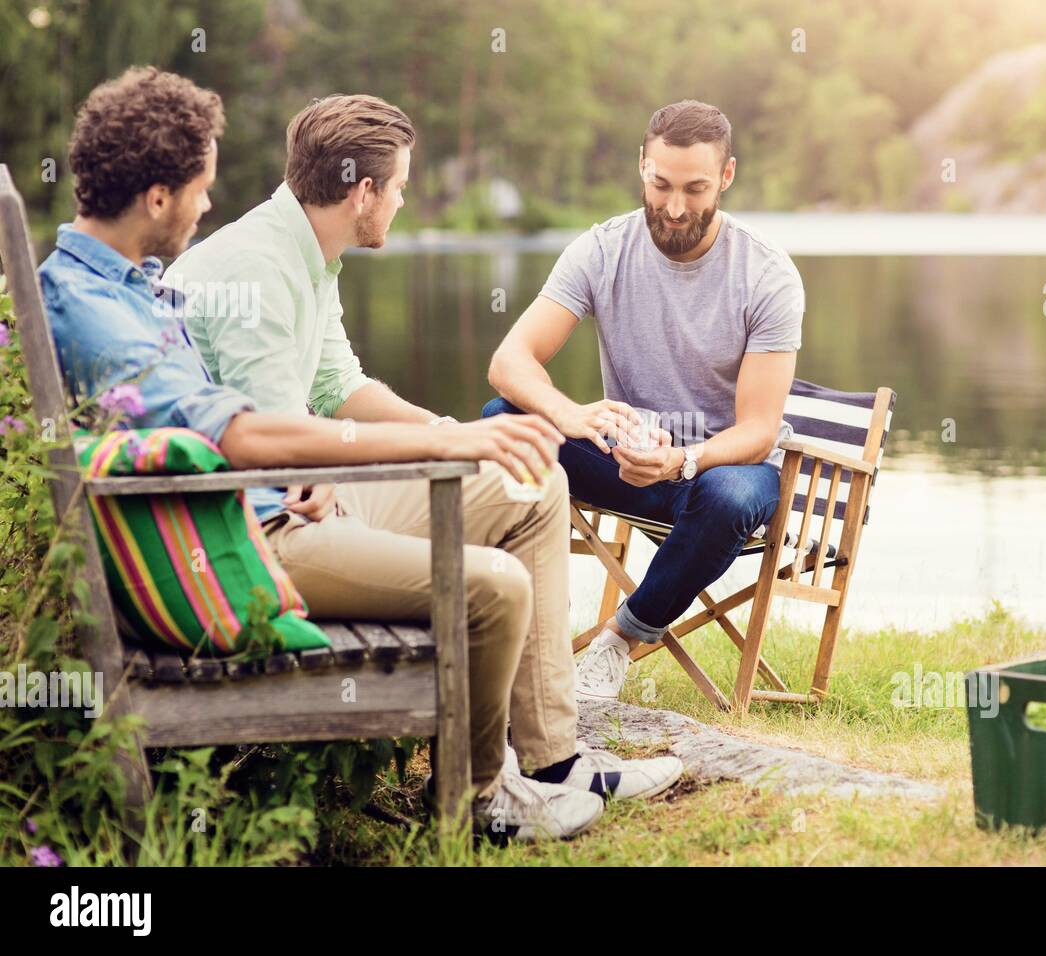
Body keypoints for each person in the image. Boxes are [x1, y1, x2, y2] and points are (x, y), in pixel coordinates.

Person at [38, 68, 669, 844]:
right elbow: (247, 436)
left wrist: (463, 435)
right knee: (496, 588)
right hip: (255, 532)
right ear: (160, 196)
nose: (208, 206)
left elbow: (331, 388)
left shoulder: (137, 285)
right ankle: (479, 803)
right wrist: (441, 441)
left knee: (531, 479)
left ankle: (548, 761)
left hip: (267, 499)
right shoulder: (136, 300)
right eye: (200, 189)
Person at [485, 100, 806, 701]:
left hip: (722, 474)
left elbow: (760, 430)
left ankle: (616, 641)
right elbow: (509, 363)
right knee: (501, 422)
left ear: (727, 176)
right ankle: (513, 632)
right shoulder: (602, 249)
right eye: (660, 185)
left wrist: (685, 460)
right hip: (626, 462)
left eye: (695, 188)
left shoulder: (767, 275)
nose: (676, 207)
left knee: (730, 492)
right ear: (641, 166)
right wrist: (571, 415)